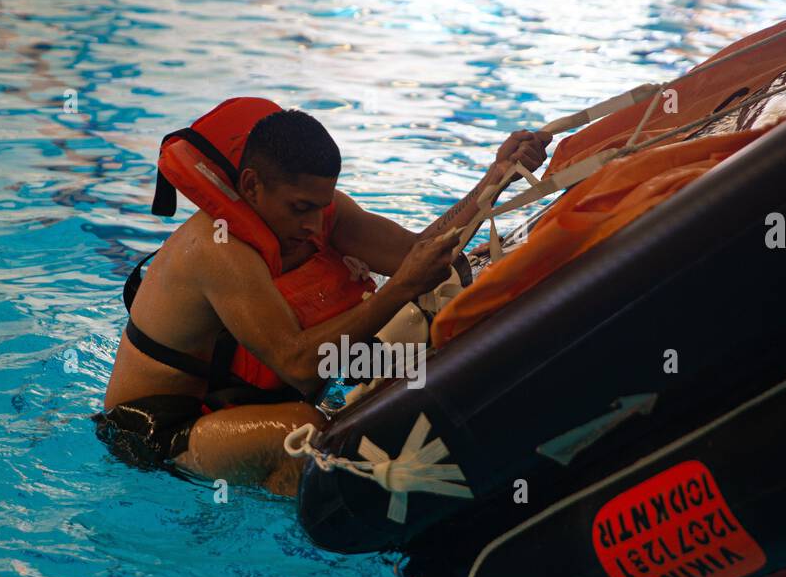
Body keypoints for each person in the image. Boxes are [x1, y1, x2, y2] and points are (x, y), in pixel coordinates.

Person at [98, 99, 549, 496]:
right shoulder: (217, 250)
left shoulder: (315, 208)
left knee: (409, 340)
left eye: (323, 205)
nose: (316, 225)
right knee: (300, 431)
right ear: (252, 186)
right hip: (160, 430)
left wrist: (495, 179)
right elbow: (296, 362)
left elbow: (419, 256)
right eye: (300, 208)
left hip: (240, 404)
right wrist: (399, 288)